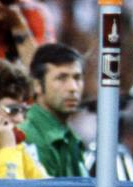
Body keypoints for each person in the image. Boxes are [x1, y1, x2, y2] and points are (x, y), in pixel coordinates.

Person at [22, 44, 89, 177]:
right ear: (37, 85)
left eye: (77, 78)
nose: (73, 88)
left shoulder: (70, 136)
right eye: (61, 78)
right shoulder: (27, 135)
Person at [0, 53, 48, 180]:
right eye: (13, 110)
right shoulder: (9, 146)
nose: (20, 119)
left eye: (23, 110)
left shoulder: (19, 149)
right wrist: (7, 149)